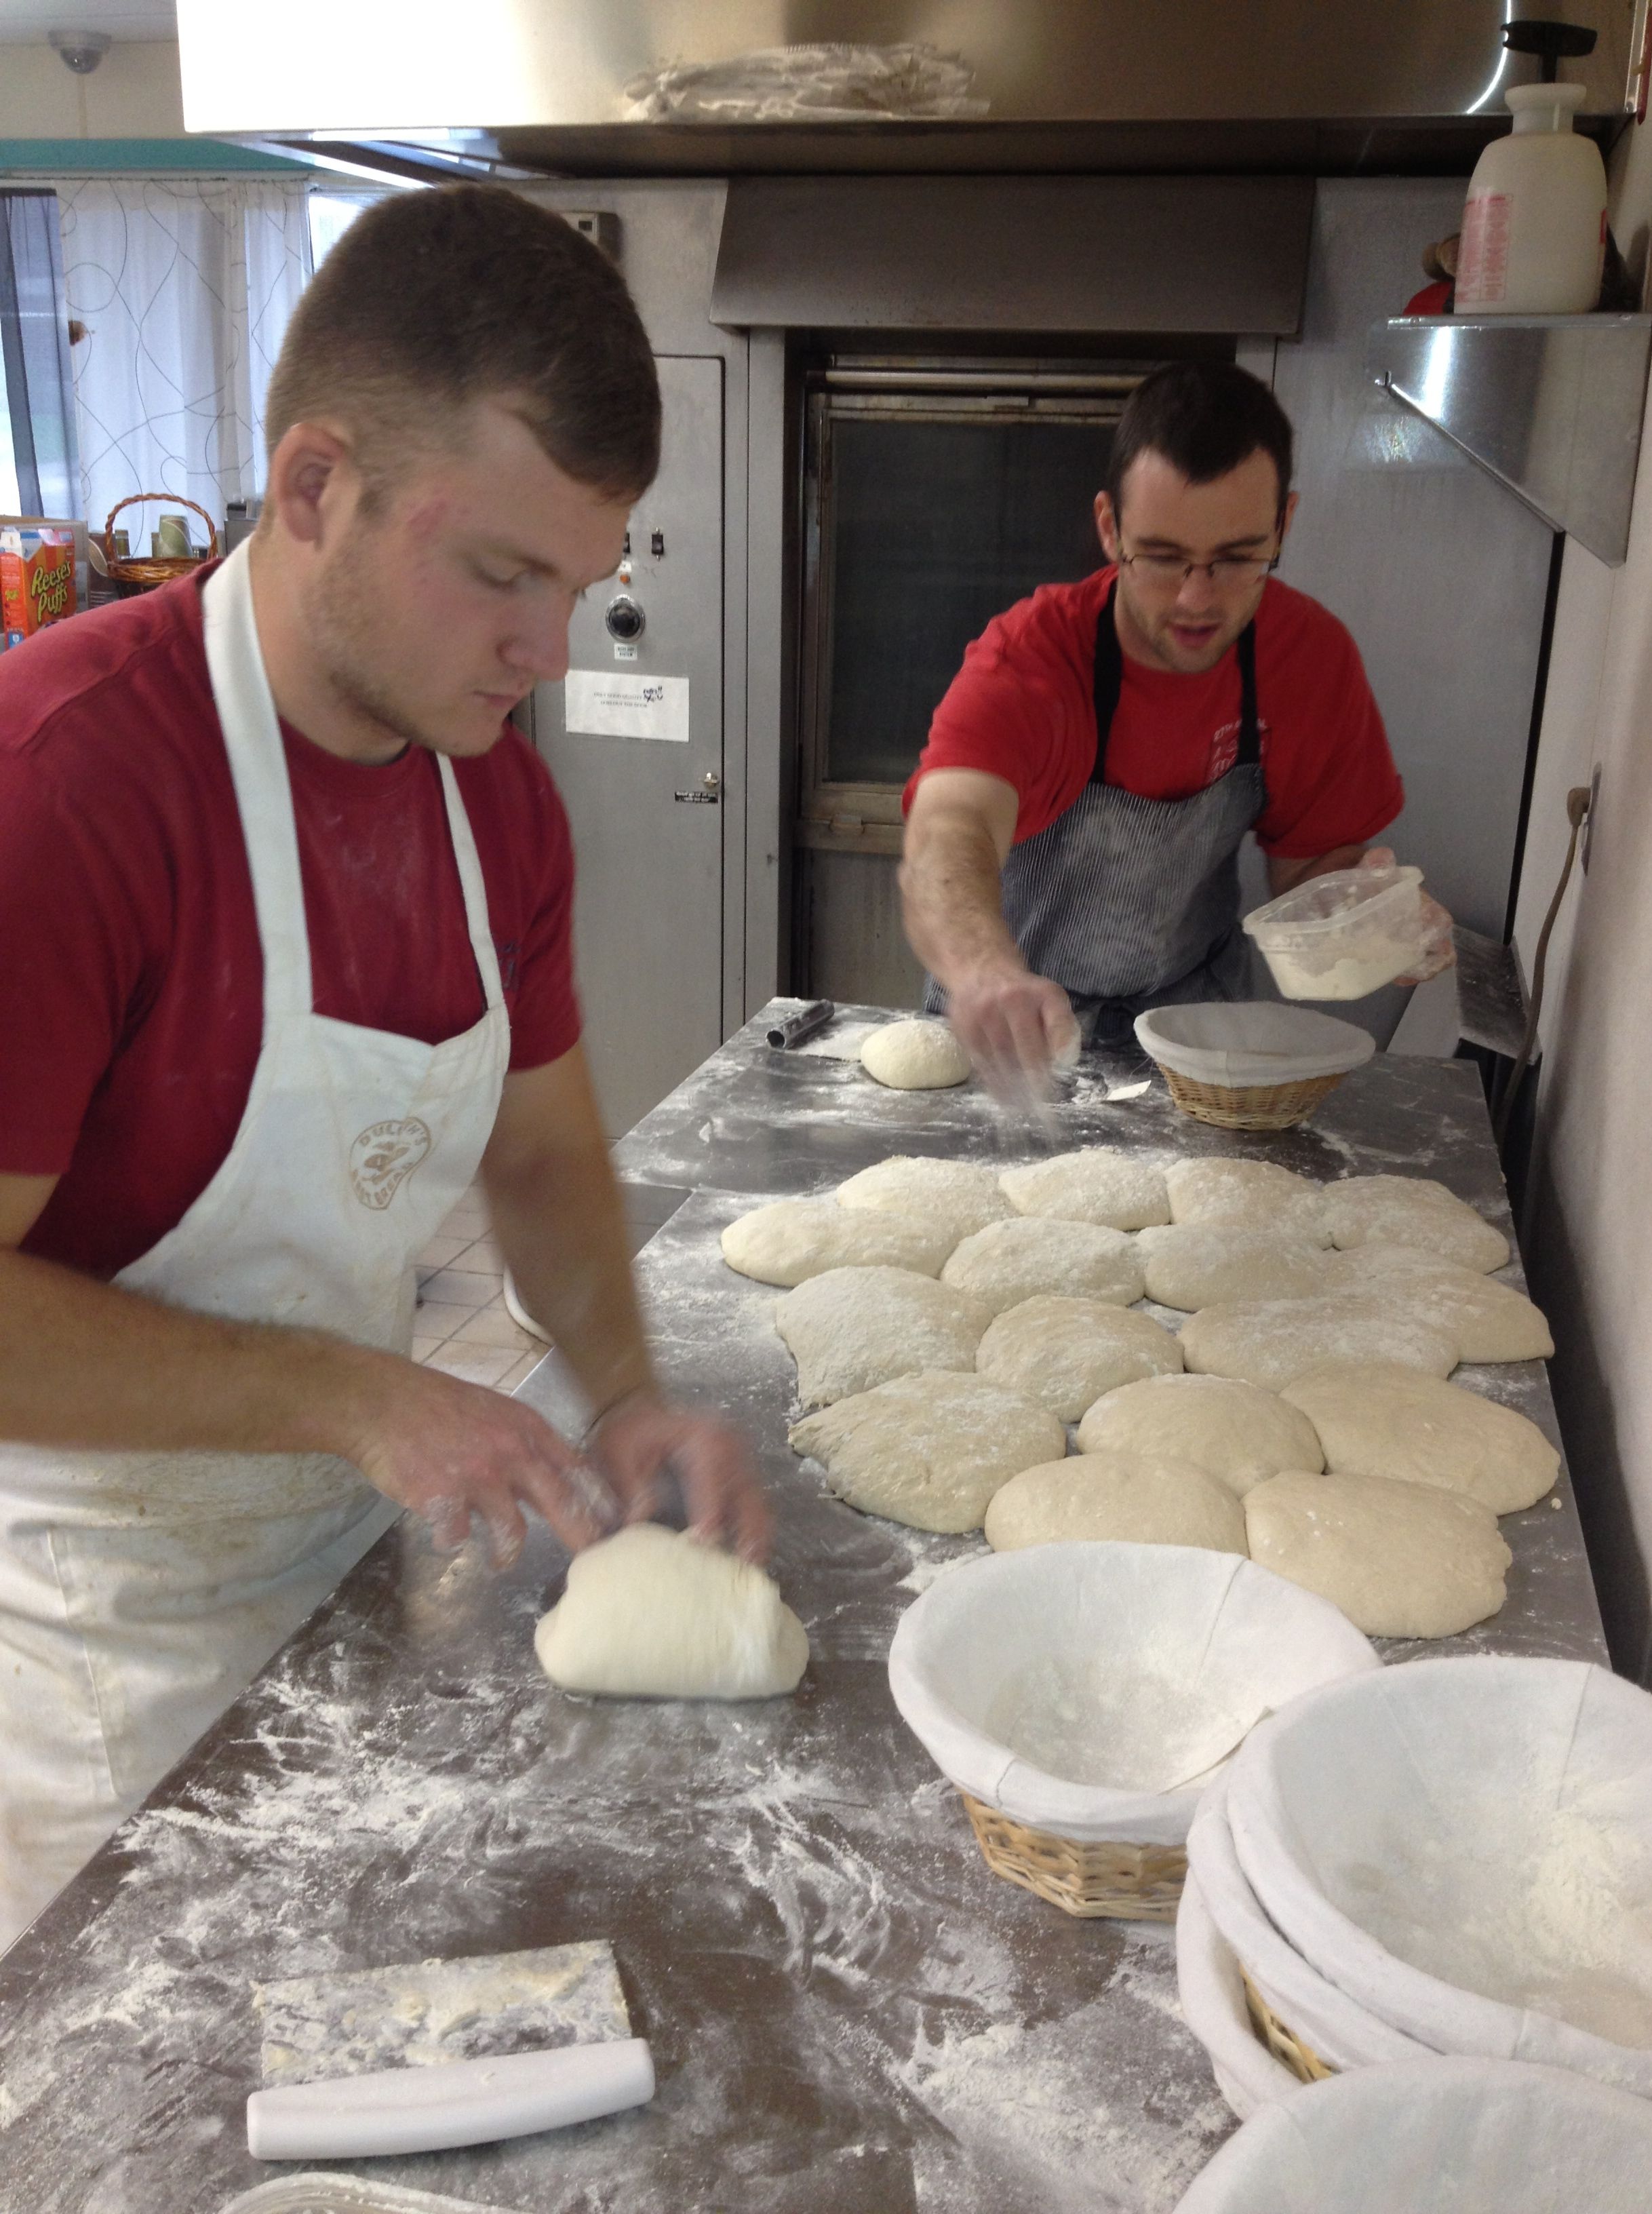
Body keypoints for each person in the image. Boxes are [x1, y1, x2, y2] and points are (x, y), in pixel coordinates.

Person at [0, 184, 768, 1950]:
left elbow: (546, 1155)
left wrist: (629, 1389)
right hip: (87, 1671)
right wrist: (365, 1400)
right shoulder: (68, 789)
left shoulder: (493, 794)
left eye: (578, 585)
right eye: (500, 573)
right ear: (313, 488)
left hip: (339, 1591)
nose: (546, 652)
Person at [899, 360, 1451, 1086]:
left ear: (1283, 524)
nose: (1197, 598)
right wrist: (983, 972)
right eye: (1162, 558)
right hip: (1008, 1040)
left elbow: (1310, 878)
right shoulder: (1036, 656)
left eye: (1235, 558)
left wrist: (1372, 914)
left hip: (1191, 1043)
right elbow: (949, 832)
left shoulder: (1308, 660)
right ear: (1109, 527)